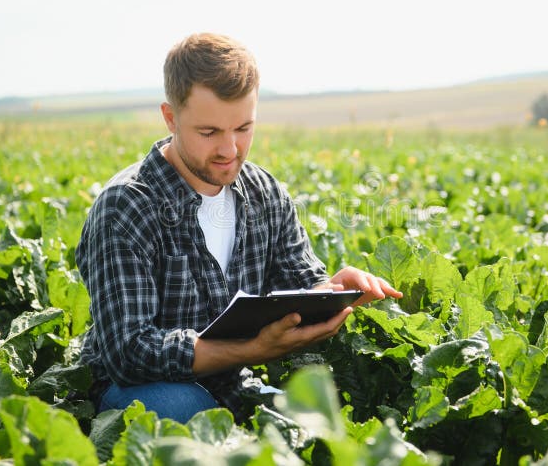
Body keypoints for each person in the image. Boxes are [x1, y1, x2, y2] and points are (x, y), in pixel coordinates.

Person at [76, 33, 402, 423]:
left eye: (243, 128)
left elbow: (299, 281)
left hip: (232, 384)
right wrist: (252, 350)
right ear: (170, 117)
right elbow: (130, 354)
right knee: (188, 414)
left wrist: (332, 291)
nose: (229, 150)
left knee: (318, 424)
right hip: (135, 391)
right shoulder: (126, 206)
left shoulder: (265, 193)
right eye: (209, 132)